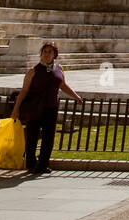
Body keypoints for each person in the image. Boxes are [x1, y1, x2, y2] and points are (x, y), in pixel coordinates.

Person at [10, 42, 82, 175]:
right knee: (32, 135)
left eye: (50, 52)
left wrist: (75, 96)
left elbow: (62, 85)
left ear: (55, 54)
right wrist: (16, 109)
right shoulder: (33, 71)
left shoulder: (59, 68)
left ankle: (43, 164)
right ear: (41, 54)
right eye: (45, 51)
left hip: (51, 107)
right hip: (35, 107)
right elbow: (24, 91)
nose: (47, 54)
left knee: (49, 137)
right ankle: (31, 163)